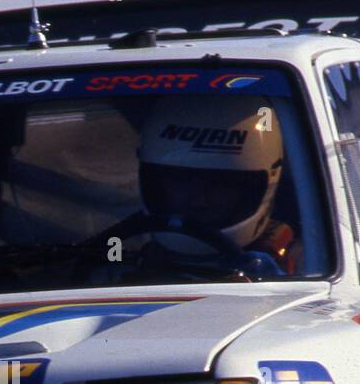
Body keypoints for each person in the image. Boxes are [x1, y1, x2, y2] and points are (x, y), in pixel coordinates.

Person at [116, 95, 300, 277]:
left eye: (221, 184)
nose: (198, 199)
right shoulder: (118, 255)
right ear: (155, 182)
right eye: (183, 180)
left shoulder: (298, 266)